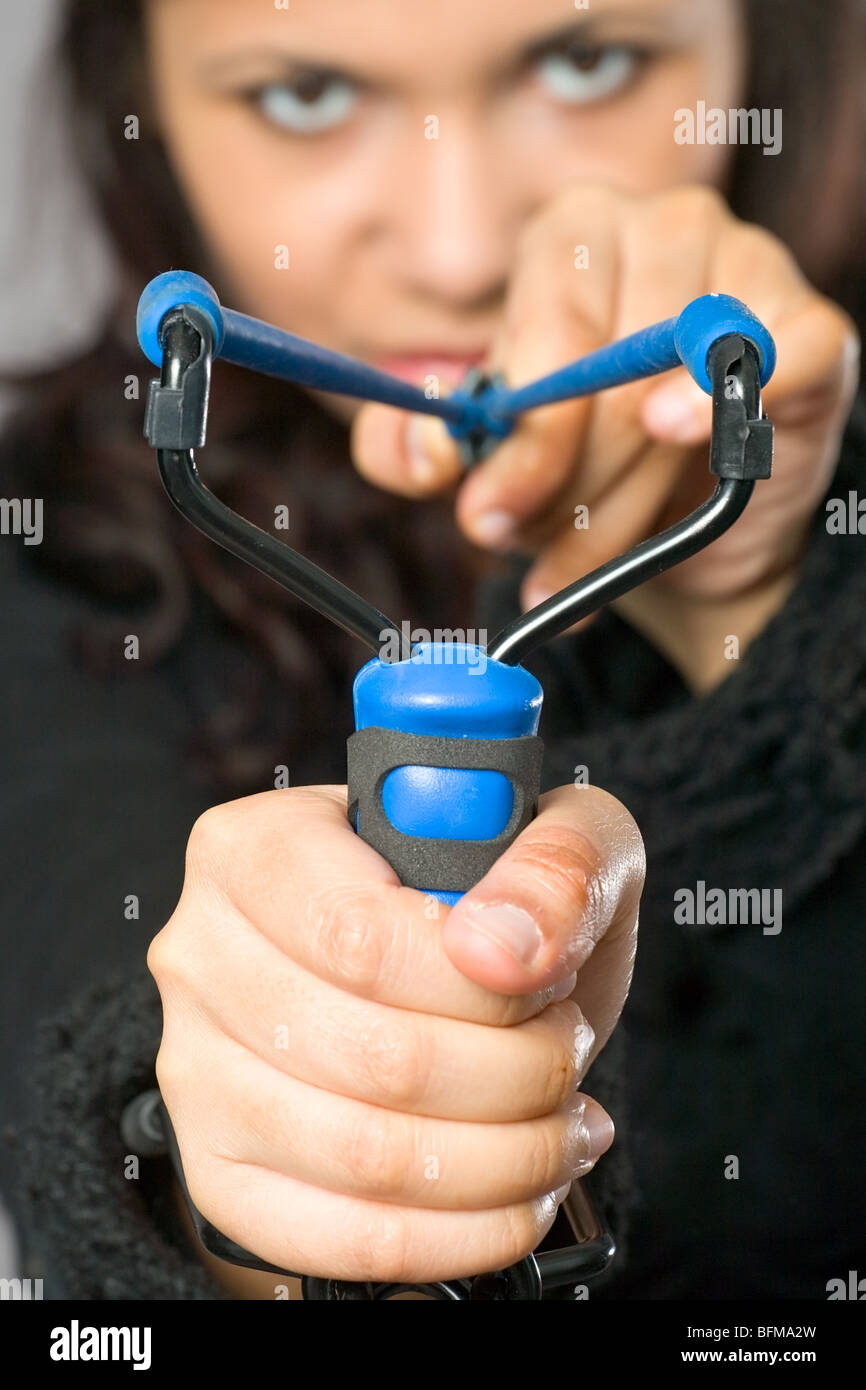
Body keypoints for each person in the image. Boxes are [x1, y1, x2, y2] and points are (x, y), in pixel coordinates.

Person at [1, 0, 864, 1299]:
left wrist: (751, 618)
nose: (459, 252)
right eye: (303, 93)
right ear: (144, 105)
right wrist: (232, 1168)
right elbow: (87, 965)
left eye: (587, 61)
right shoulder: (48, 569)